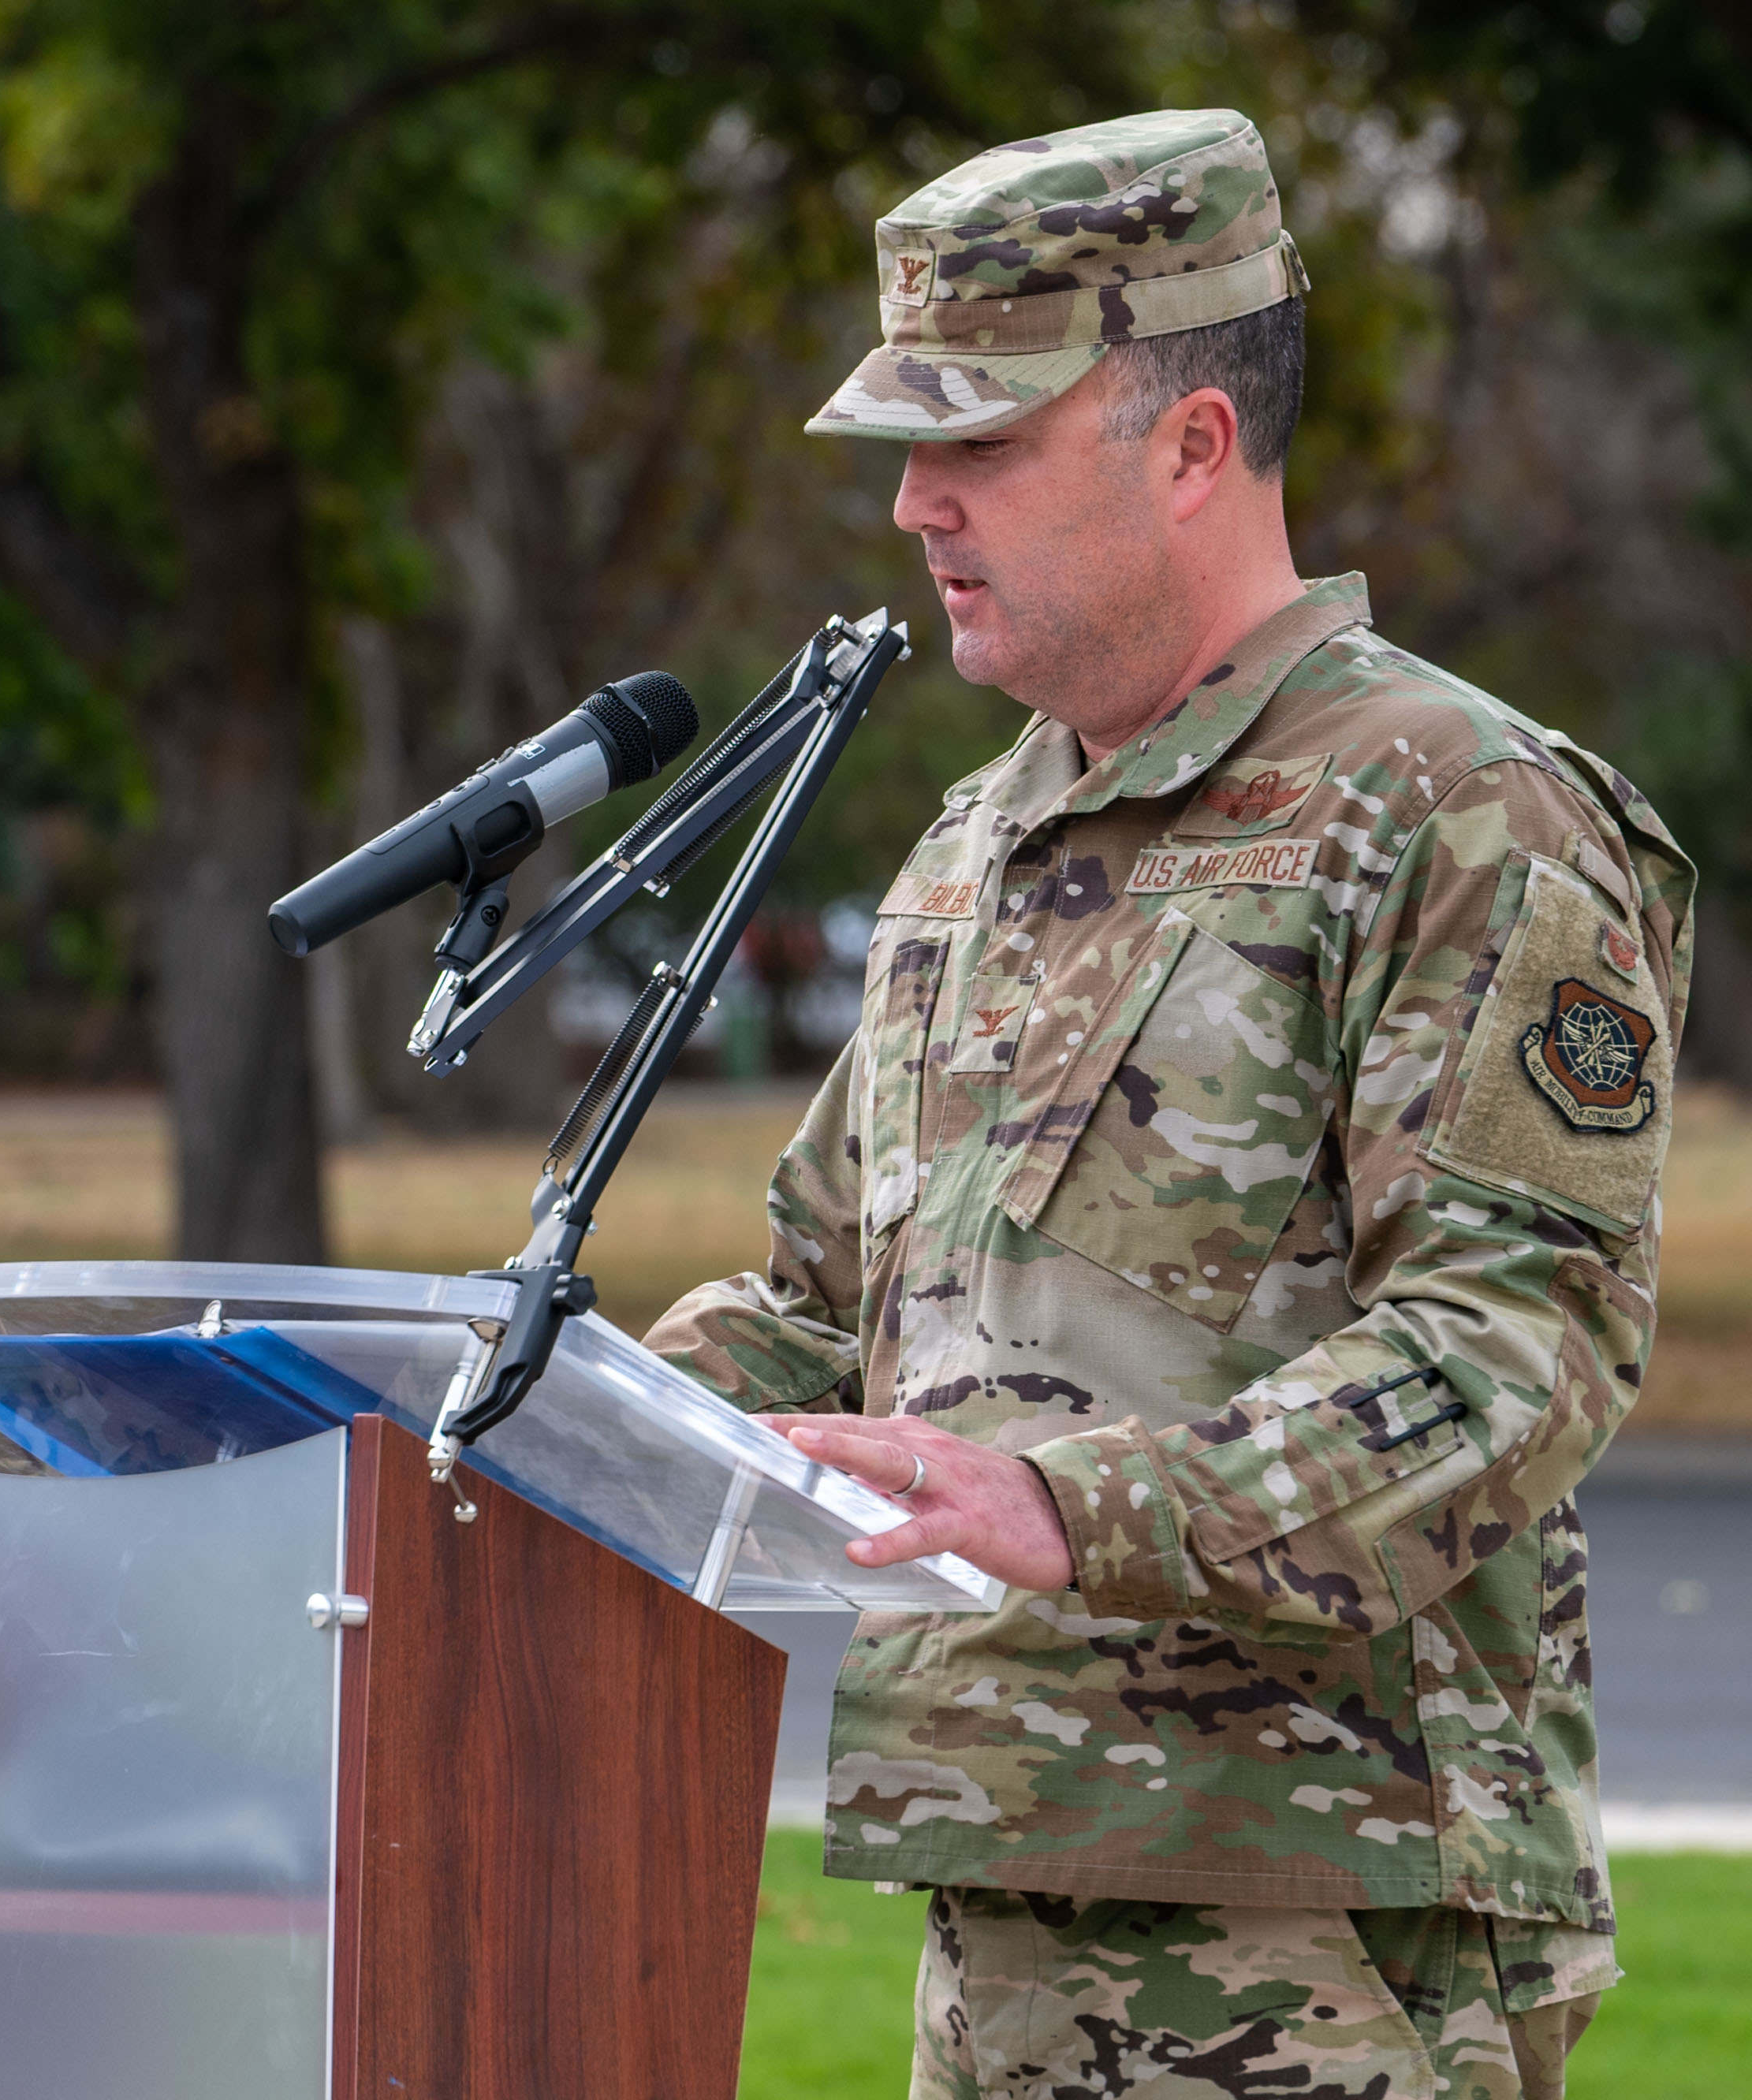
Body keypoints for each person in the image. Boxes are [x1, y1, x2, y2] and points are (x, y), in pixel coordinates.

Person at [648, 110, 1688, 2100]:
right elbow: (822, 1312)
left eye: (977, 442)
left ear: (1190, 444)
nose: (914, 507)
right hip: (1005, 1879)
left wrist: (1069, 1506)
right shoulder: (978, 839)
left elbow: (1514, 1346)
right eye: (907, 451)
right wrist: (492, 1422)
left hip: (1328, 1916)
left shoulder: (1457, 805)